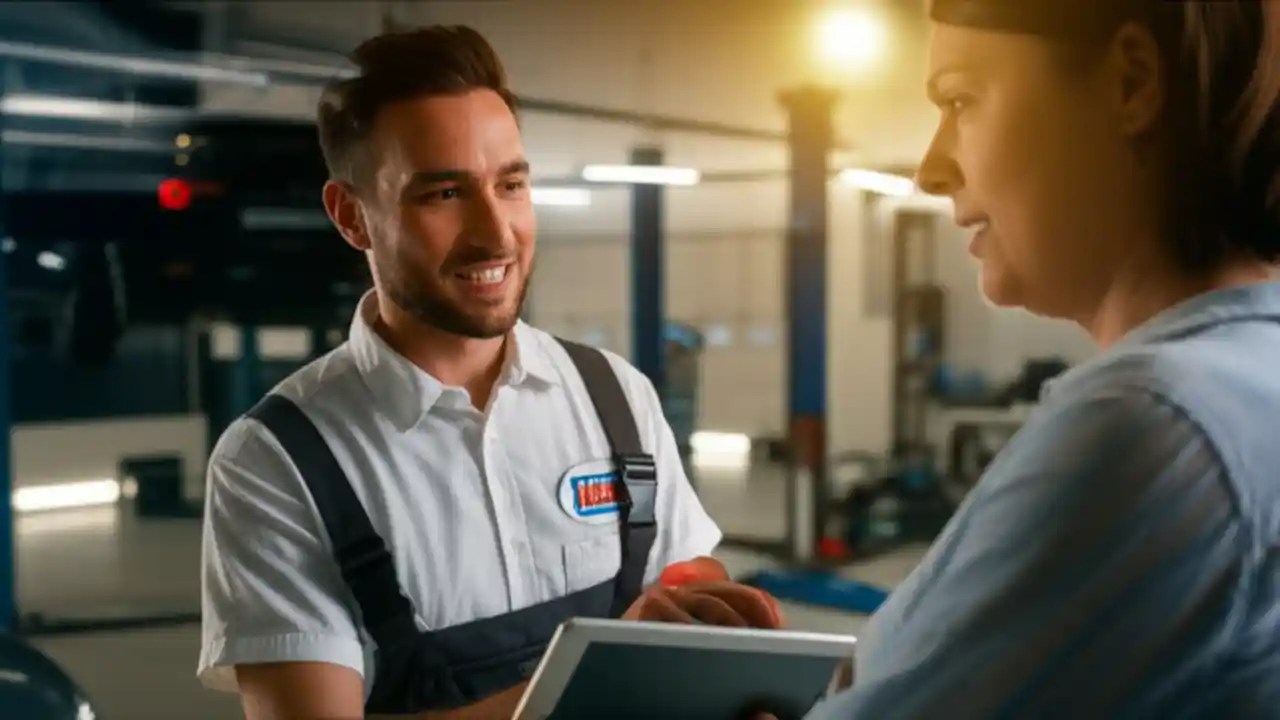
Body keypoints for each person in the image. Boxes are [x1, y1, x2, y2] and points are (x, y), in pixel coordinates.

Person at [196, 26, 780, 720]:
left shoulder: (612, 394)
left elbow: (679, 571)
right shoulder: (276, 462)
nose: (495, 231)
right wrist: (608, 680)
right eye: (444, 193)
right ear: (352, 216)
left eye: (510, 184)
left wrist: (702, 609)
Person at [799, 1, 1280, 718]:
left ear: (1131, 83)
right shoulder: (1250, 368)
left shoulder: (1150, 423)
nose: (931, 170)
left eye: (960, 99)